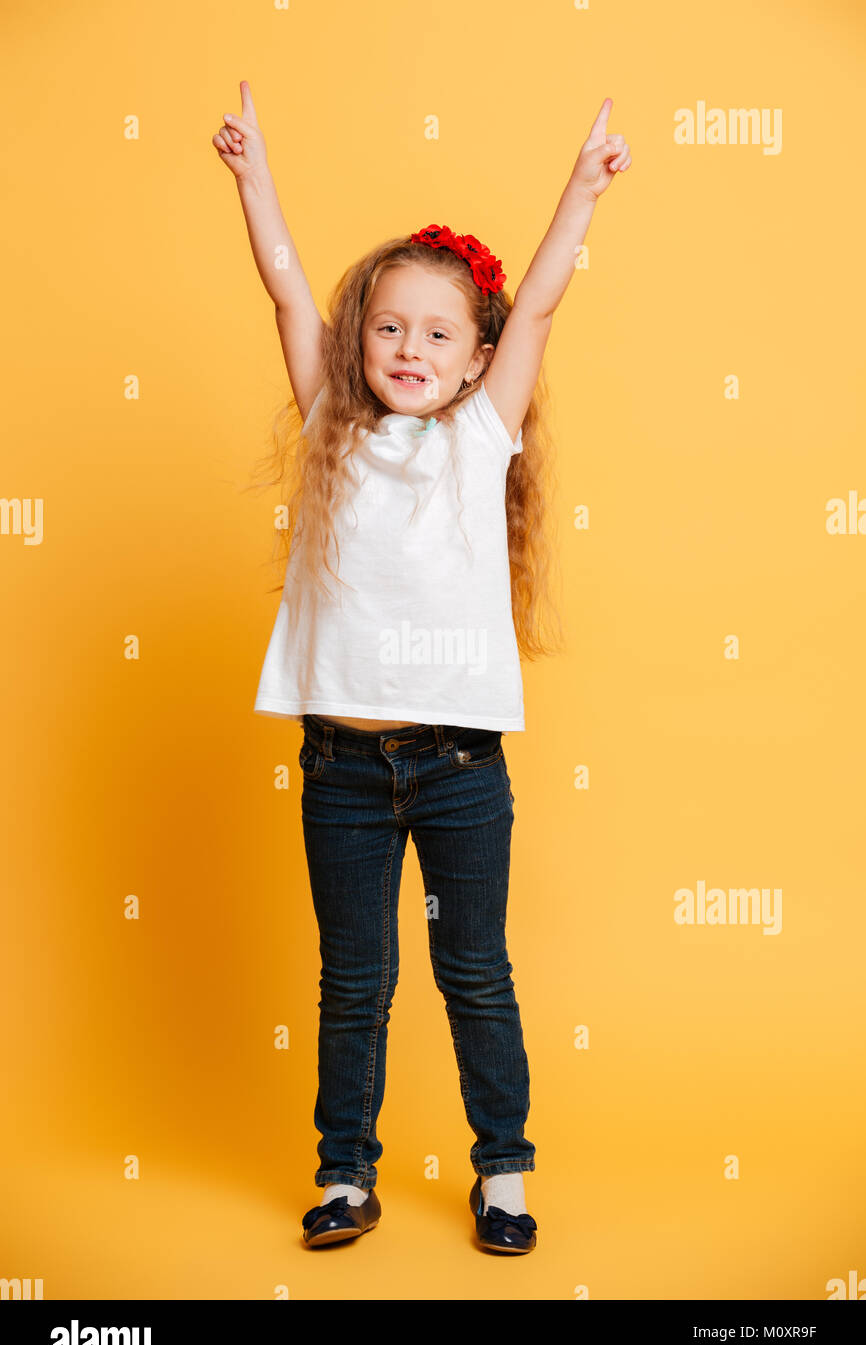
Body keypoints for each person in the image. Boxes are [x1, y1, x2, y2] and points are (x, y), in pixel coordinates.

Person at [213, 82, 631, 1254]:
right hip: (341, 770)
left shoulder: (478, 439)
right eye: (389, 326)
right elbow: (288, 288)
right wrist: (254, 177)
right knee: (353, 984)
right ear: (361, 342)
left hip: (455, 771)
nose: (409, 347)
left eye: (438, 333)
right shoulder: (327, 429)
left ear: (475, 360)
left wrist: (580, 187)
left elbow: (541, 303)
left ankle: (502, 1170)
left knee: (473, 974)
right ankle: (345, 1173)